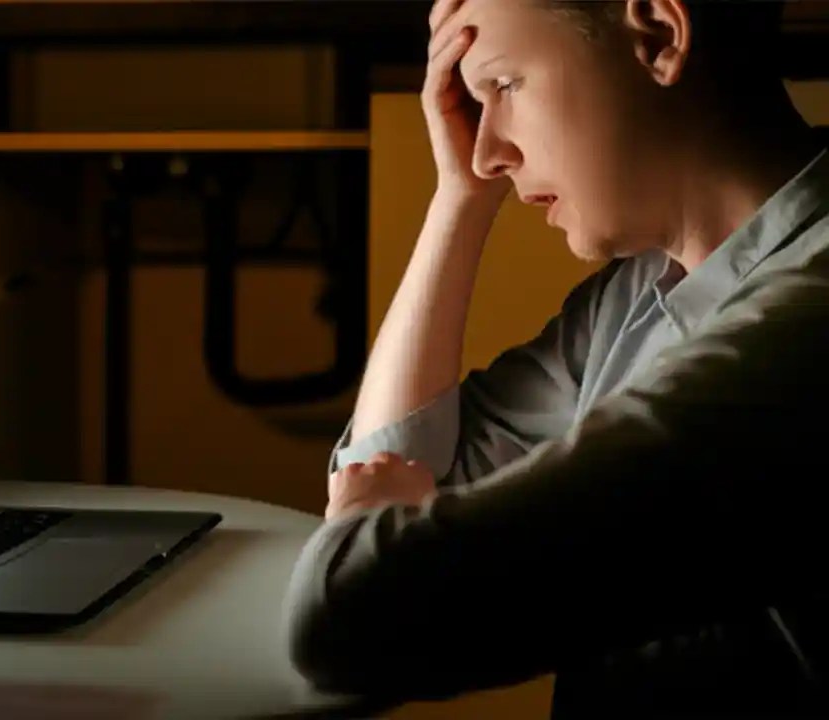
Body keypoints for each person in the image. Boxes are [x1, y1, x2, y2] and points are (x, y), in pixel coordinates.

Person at [281, 0, 829, 716]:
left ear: (660, 36)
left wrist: (372, 516)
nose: (485, 152)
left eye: (505, 85)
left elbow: (350, 609)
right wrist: (459, 201)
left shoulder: (808, 329)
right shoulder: (634, 297)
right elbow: (396, 470)